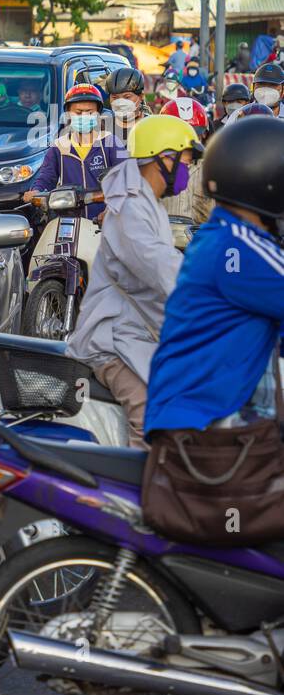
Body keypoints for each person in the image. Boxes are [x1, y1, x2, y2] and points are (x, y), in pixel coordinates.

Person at [144, 117, 284, 481]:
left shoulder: (219, 235)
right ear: (268, 184)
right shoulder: (240, 245)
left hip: (199, 413)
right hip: (214, 422)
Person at [66, 115, 197, 448]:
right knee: (149, 414)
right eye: (184, 160)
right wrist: (206, 290)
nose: (187, 169)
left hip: (136, 332)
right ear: (161, 158)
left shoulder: (145, 202)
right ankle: (138, 496)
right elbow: (157, 264)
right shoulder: (129, 208)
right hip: (111, 340)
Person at [22, 83, 123, 219]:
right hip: (68, 222)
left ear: (98, 114)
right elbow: (46, 176)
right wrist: (35, 191)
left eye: (90, 112)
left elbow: (126, 176)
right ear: (68, 113)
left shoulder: (111, 142)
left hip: (104, 222)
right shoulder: (59, 147)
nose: (84, 116)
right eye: (78, 112)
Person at [104, 66, 148, 143]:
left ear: (141, 97)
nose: (120, 103)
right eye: (115, 97)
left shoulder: (151, 125)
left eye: (127, 97)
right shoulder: (103, 127)